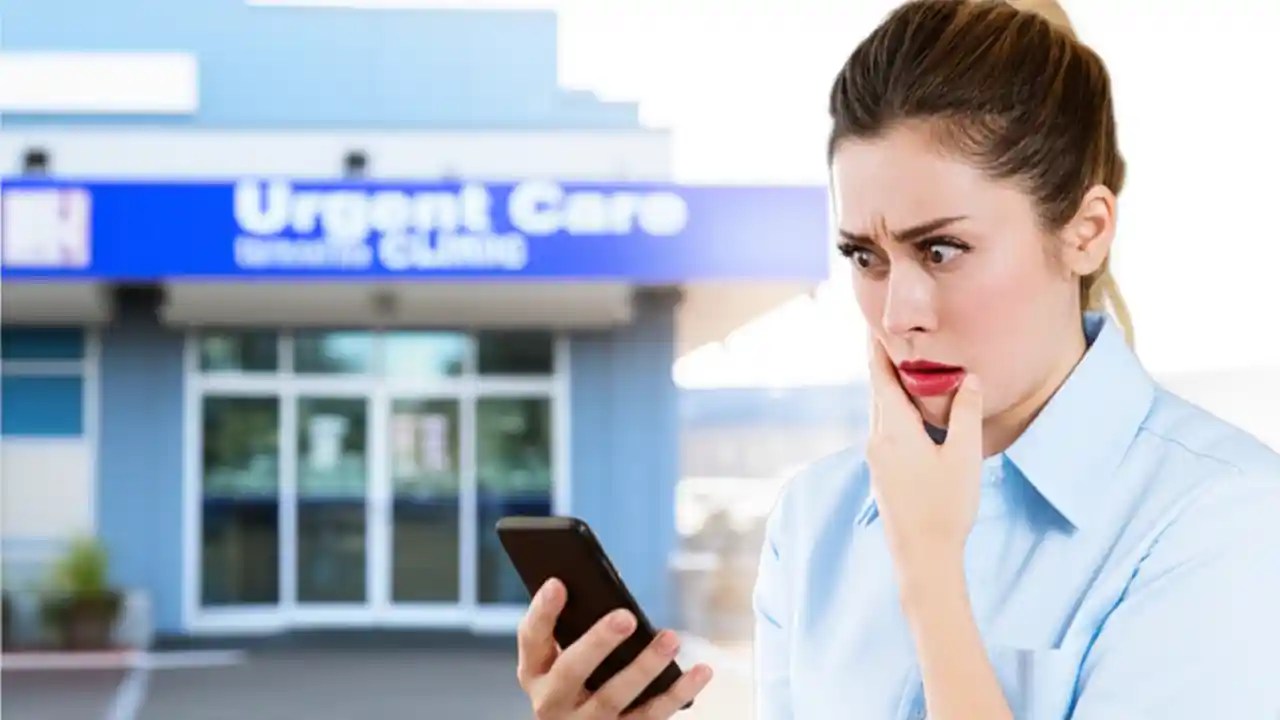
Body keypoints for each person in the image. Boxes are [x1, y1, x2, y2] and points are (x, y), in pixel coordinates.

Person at [513, 1, 1280, 718]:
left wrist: (928, 567)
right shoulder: (816, 519)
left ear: (1086, 231)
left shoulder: (1221, 521)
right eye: (864, 256)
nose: (897, 312)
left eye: (941, 249)